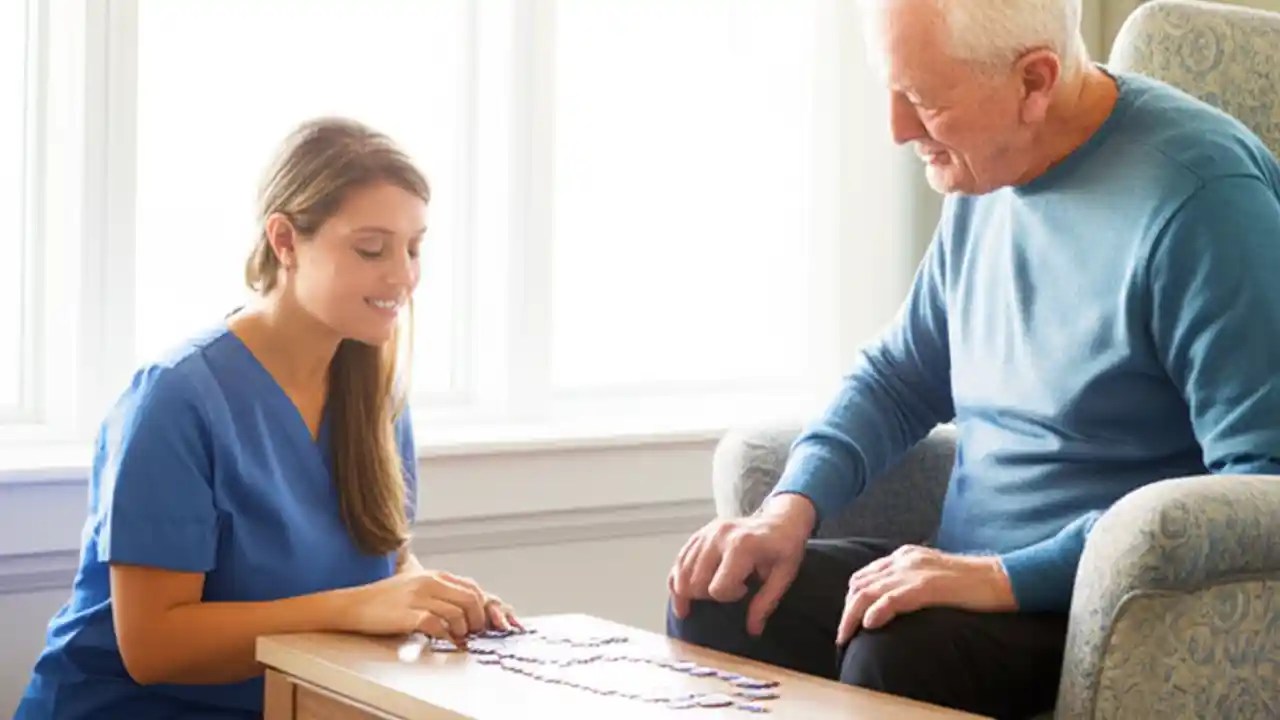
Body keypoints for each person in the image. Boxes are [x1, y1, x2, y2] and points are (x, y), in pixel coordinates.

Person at [665, 0, 1280, 717]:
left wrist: (1002, 578)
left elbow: (1262, 482)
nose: (897, 129)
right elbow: (898, 382)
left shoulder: (1204, 204)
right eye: (891, 90)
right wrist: (787, 509)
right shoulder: (987, 167)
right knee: (718, 602)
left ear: (1034, 81)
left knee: (897, 649)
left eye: (923, 100)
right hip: (959, 580)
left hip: (1098, 607)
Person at [16, 118, 520, 719]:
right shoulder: (176, 398)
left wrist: (432, 601)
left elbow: (380, 562)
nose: (403, 276)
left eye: (414, 248)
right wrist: (355, 608)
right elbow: (154, 648)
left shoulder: (377, 395)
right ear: (284, 241)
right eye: (370, 248)